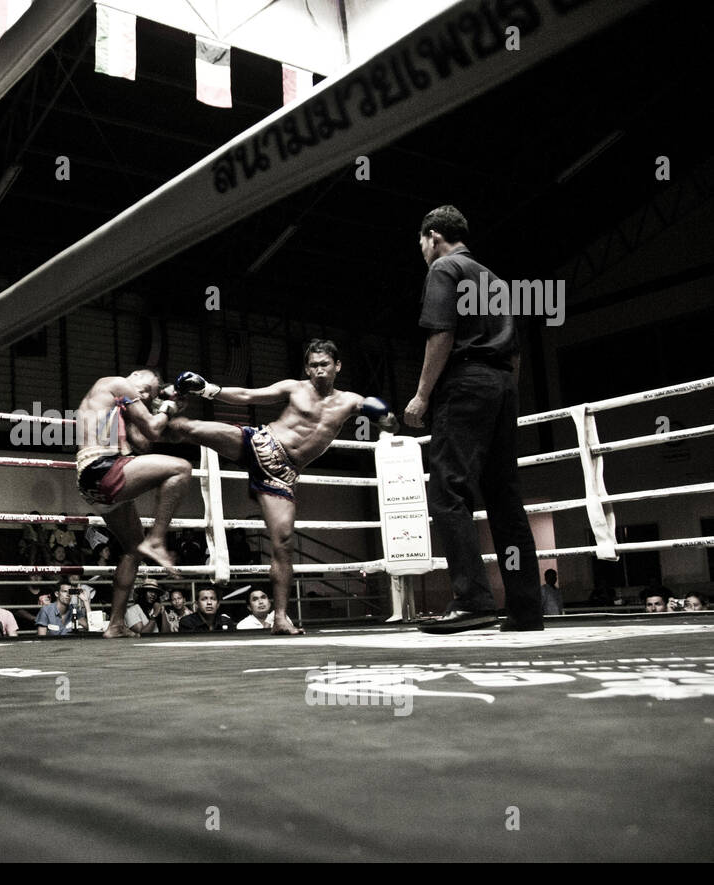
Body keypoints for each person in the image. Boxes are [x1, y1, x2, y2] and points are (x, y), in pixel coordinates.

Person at [164, 340, 397, 635]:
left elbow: (391, 424)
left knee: (283, 543)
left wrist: (386, 418)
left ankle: (281, 618)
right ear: (306, 368)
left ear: (337, 366)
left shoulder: (351, 401)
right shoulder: (294, 388)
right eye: (313, 365)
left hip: (282, 474)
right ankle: (152, 415)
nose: (319, 370)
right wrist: (208, 389)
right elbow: (249, 395)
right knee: (187, 428)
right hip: (259, 443)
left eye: (324, 364)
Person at [403, 205, 543, 634]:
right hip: (502, 386)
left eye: (421, 244)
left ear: (432, 236)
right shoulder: (494, 279)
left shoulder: (445, 267)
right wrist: (505, 397)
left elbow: (441, 333)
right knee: (504, 496)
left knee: (448, 490)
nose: (422, 252)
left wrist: (422, 395)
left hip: (465, 383)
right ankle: (525, 609)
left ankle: (473, 599)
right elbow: (515, 352)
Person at [75, 368, 192, 638]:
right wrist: (168, 405)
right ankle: (157, 539)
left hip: (95, 485)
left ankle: (115, 624)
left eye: (149, 394)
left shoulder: (118, 408)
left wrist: (165, 408)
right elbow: (152, 428)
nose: (144, 395)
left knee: (132, 549)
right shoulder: (114, 382)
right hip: (102, 466)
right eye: (145, 388)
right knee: (181, 469)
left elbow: (142, 442)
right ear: (135, 374)